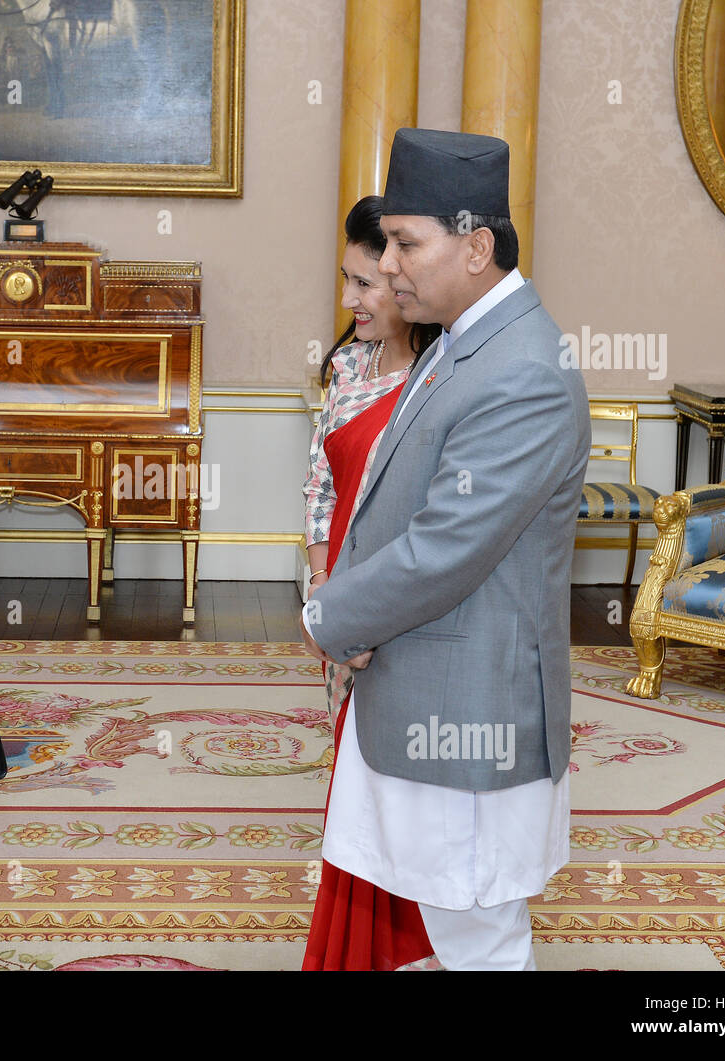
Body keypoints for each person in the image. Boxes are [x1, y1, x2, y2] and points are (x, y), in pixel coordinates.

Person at [300, 128, 591, 971]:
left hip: (471, 707)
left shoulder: (523, 368)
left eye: (404, 242)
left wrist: (329, 614)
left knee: (478, 933)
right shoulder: (465, 337)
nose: (388, 265)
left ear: (476, 246)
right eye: (386, 241)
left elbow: (446, 548)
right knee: (449, 925)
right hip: (431, 689)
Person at [301, 196, 441, 971]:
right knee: (351, 777)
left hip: (411, 612)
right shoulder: (347, 368)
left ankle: (415, 946)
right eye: (348, 282)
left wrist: (374, 610)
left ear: (405, 279)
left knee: (408, 777)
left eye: (366, 283)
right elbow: (319, 489)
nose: (352, 300)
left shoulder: (444, 374)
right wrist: (327, 597)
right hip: (342, 611)